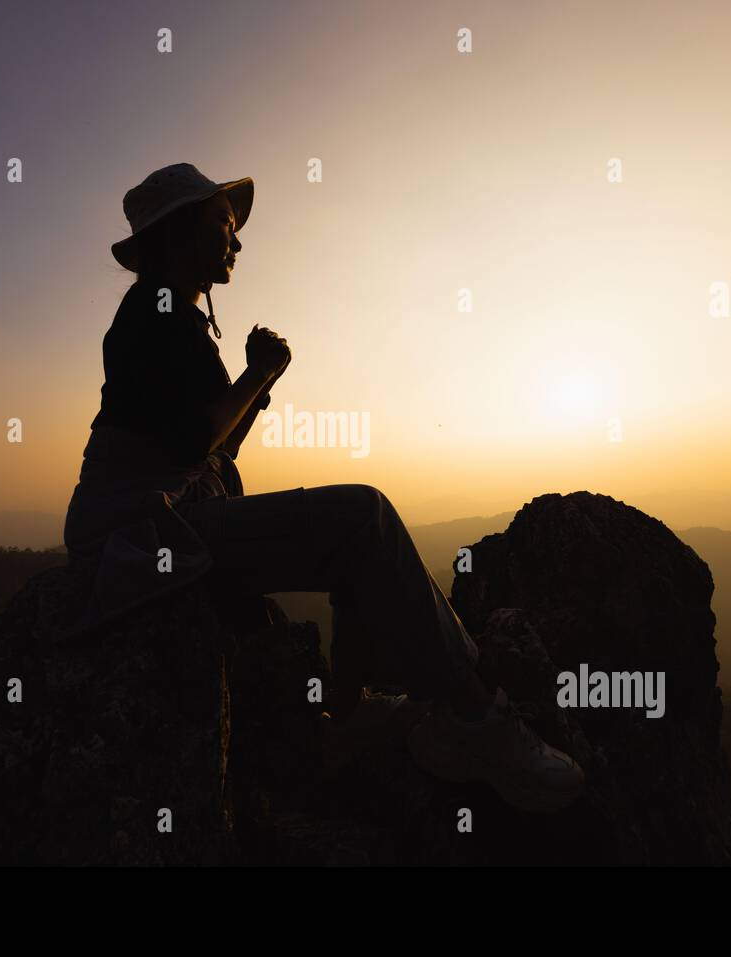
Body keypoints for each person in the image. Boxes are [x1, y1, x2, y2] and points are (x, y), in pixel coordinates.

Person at [63, 163, 585, 813]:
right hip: (140, 533)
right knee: (360, 517)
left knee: (350, 531)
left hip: (166, 517)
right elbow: (197, 443)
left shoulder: (165, 315)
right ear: (177, 233)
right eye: (223, 225)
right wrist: (259, 370)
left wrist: (261, 381)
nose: (237, 241)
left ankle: (343, 715)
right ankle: (474, 720)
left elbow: (206, 449)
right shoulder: (154, 314)